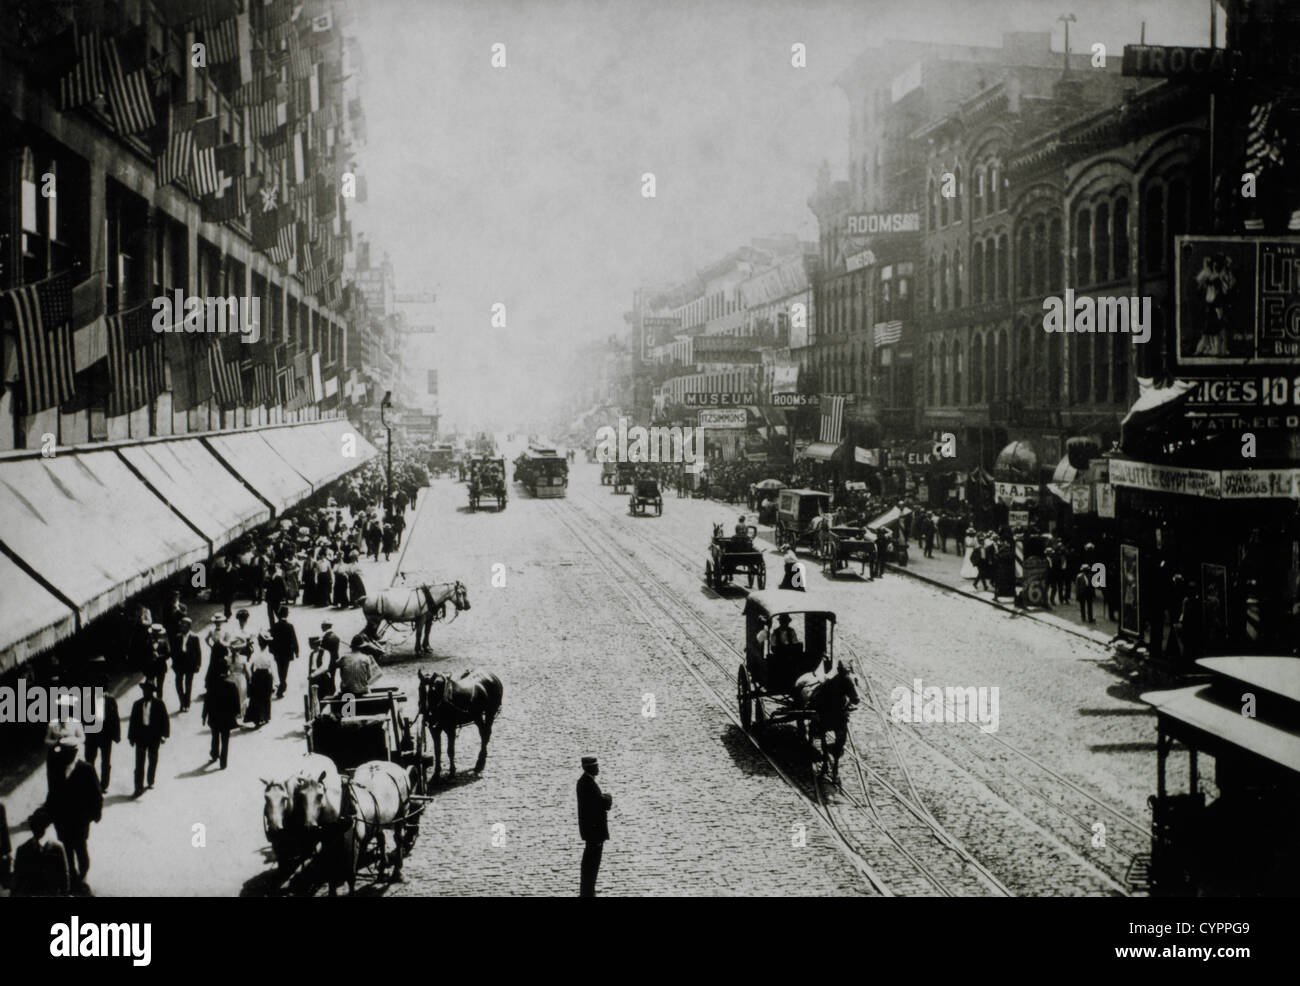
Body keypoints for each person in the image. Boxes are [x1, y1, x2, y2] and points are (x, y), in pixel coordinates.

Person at [44, 736, 101, 888]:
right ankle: (73, 877)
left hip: (79, 822)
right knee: (67, 852)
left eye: (67, 752)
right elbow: (52, 793)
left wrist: (94, 815)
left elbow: (96, 795)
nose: (63, 756)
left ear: (75, 752)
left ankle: (82, 875)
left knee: (81, 852)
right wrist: (49, 814)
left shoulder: (86, 769)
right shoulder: (56, 768)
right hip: (62, 821)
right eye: (62, 752)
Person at [10, 807, 69, 898]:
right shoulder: (23, 850)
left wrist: (64, 894)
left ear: (45, 828)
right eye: (34, 826)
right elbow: (17, 879)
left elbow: (64, 878)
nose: (36, 830)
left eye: (39, 826)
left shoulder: (57, 849)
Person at [81, 658, 119, 793]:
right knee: (90, 760)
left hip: (104, 736)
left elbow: (115, 719)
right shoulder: (88, 698)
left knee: (104, 762)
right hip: (92, 735)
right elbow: (83, 717)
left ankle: (103, 785)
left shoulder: (110, 700)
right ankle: (95, 783)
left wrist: (116, 735)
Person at [576, 755, 612, 897]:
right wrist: (608, 798)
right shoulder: (588, 784)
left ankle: (588, 890)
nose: (598, 768)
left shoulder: (585, 782)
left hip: (591, 830)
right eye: (596, 766)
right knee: (592, 862)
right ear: (590, 767)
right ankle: (588, 891)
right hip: (594, 831)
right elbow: (601, 803)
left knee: (590, 861)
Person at [127, 681, 169, 797]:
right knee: (139, 763)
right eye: (144, 690)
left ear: (152, 692)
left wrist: (164, 735)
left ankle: (150, 780)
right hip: (141, 737)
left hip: (154, 736)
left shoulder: (159, 704)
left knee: (153, 759)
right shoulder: (137, 704)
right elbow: (133, 722)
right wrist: (131, 737)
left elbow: (165, 720)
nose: (146, 692)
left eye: (148, 691)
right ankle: (138, 787)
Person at [202, 657, 240, 770]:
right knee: (225, 739)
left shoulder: (212, 686)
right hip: (227, 718)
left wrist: (204, 716)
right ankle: (223, 762)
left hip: (215, 716)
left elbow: (207, 702)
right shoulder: (231, 685)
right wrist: (236, 714)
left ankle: (214, 754)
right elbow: (236, 702)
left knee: (215, 736)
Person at [173, 617, 202, 711]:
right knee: (178, 684)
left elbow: (198, 652)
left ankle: (187, 704)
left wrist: (198, 665)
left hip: (190, 664)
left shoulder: (194, 637)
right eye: (181, 625)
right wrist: (174, 664)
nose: (182, 627)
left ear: (189, 627)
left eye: (184, 625)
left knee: (188, 685)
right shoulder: (177, 637)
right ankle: (182, 702)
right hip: (180, 664)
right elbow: (174, 652)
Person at [270, 606, 300, 699]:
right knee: (284, 670)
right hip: (287, 653)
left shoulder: (274, 626)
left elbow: (271, 640)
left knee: (280, 669)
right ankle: (282, 686)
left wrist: (272, 651)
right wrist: (296, 651)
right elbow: (294, 639)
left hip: (278, 653)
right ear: (286, 614)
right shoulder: (290, 626)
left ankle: (282, 686)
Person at [247, 634, 276, 727]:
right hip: (266, 676)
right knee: (265, 697)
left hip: (258, 676)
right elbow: (273, 668)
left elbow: (250, 666)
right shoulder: (269, 655)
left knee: (258, 697)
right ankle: (264, 716)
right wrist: (275, 682)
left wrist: (251, 676)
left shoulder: (255, 654)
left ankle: (260, 717)